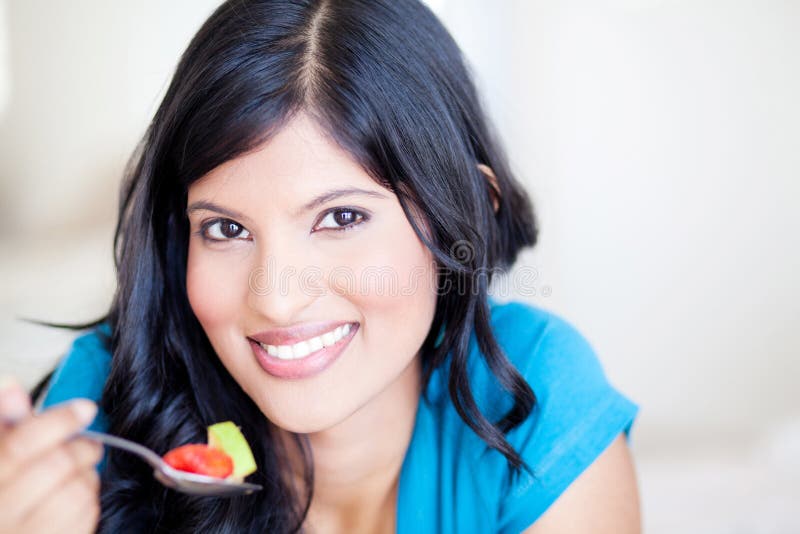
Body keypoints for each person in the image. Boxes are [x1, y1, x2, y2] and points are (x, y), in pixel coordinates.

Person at [0, 0, 641, 532]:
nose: (276, 302)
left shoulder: (536, 399)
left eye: (340, 218)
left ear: (465, 213)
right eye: (225, 229)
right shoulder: (104, 411)